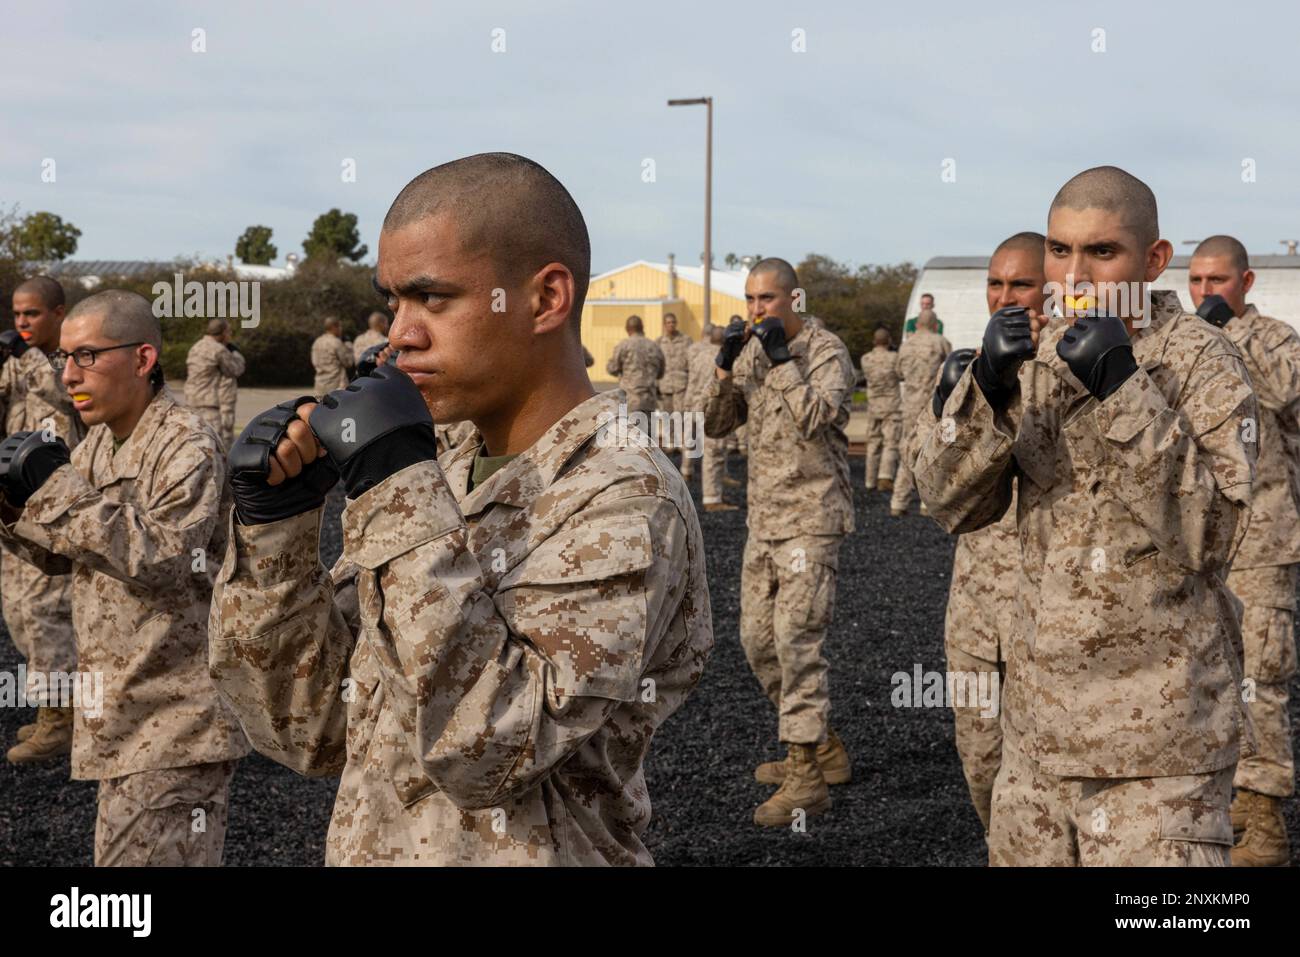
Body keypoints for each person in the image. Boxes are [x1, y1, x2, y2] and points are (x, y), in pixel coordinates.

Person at [209, 152, 713, 866]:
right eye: (394, 302)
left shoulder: (625, 496)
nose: (399, 334)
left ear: (545, 300)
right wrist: (274, 535)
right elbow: (312, 725)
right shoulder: (440, 468)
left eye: (433, 299)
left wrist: (394, 483)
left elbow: (491, 753)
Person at [915, 166, 1257, 866]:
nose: (1076, 273)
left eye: (1103, 253)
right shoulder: (1035, 359)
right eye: (1061, 251)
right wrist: (984, 389)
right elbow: (948, 502)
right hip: (1036, 745)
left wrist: (1123, 388)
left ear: (1153, 261)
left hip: (1157, 754)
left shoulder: (1200, 362)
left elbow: (1213, 536)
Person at [0, 289, 248, 865]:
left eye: (86, 356)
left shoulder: (186, 443)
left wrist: (55, 490)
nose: (68, 375)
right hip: (127, 718)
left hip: (178, 722)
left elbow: (164, 562)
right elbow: (71, 555)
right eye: (64, 358)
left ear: (141, 359)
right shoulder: (101, 445)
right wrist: (13, 514)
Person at [704, 257, 855, 826]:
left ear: (795, 299)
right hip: (763, 522)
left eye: (766, 299)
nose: (756, 310)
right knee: (756, 643)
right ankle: (823, 748)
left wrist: (781, 361)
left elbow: (820, 416)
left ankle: (805, 778)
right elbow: (717, 425)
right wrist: (722, 368)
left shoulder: (825, 351)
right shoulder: (748, 354)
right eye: (750, 300)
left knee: (796, 643)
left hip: (811, 520)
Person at [1188, 235, 1300, 866]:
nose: (1206, 292)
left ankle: (1261, 814)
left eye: (1218, 281)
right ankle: (1212, 798)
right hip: (1204, 542)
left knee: (1261, 676)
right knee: (1205, 674)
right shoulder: (1183, 341)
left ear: (1246, 282)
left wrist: (1230, 336)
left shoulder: (1275, 339)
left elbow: (1288, 393)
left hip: (1263, 537)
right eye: (1198, 281)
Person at [935, 231, 1045, 834]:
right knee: (983, 770)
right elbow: (936, 494)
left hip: (1050, 621)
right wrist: (950, 410)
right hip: (978, 615)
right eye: (995, 284)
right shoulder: (973, 368)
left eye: (1021, 285)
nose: (1005, 298)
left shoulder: (1076, 368)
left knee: (1044, 795)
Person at [1, 276, 85, 762]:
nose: (22, 323)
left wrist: (26, 360)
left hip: (58, 501)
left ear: (58, 312)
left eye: (31, 314)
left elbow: (64, 398)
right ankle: (55, 708)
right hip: (17, 502)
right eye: (16, 315)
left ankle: (62, 720)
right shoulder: (21, 362)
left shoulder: (72, 360)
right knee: (18, 610)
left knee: (46, 612)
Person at [890, 309, 950, 516]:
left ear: (916, 325)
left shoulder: (906, 346)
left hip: (910, 404)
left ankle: (898, 501)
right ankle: (927, 503)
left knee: (908, 447)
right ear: (935, 324)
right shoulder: (940, 342)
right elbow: (951, 369)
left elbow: (897, 373)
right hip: (933, 405)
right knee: (933, 450)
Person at [683, 324, 733, 511]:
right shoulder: (724, 358)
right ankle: (712, 497)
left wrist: (688, 403)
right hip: (714, 406)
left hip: (695, 401)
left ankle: (687, 471)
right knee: (715, 451)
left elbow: (691, 380)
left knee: (692, 441)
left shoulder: (699, 356)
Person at [184, 318, 246, 450]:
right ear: (223, 333)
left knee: (194, 444)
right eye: (229, 332)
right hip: (209, 405)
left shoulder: (196, 347)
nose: (230, 335)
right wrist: (235, 353)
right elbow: (235, 370)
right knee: (215, 447)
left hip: (191, 402)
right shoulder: (218, 350)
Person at [859, 327, 902, 492]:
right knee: (891, 442)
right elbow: (901, 374)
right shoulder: (894, 358)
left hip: (873, 406)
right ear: (889, 341)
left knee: (873, 443)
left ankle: (869, 480)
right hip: (892, 406)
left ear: (873, 342)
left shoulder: (866, 359)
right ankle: (885, 477)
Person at [605, 315, 664, 414]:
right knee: (647, 429)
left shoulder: (623, 345)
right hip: (648, 399)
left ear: (627, 329)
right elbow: (661, 373)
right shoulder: (654, 346)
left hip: (629, 399)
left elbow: (612, 368)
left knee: (629, 429)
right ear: (642, 328)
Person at [311, 316, 353, 394]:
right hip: (337, 385)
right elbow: (348, 363)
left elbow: (314, 362)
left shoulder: (317, 342)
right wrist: (349, 348)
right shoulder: (336, 342)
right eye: (340, 326)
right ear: (334, 327)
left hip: (320, 385)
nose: (341, 329)